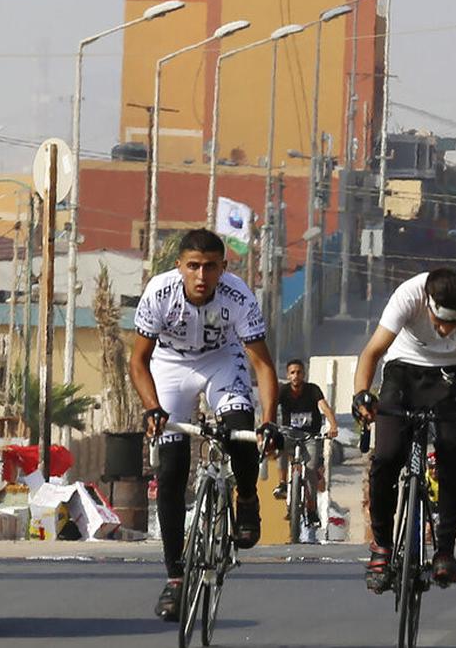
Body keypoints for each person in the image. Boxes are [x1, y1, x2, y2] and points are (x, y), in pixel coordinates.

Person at [132, 229, 279, 621]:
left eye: (210, 267)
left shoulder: (239, 296)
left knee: (239, 429)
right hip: (170, 367)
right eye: (193, 266)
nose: (201, 275)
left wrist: (268, 422)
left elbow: (263, 364)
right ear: (179, 266)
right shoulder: (159, 293)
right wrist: (152, 408)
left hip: (221, 360)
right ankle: (175, 578)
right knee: (172, 468)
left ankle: (246, 498)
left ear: (223, 268)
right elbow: (138, 361)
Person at [353, 268, 456, 592]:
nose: (445, 331)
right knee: (387, 457)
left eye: (454, 323)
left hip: (455, 373)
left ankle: (445, 550)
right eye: (439, 321)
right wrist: (362, 395)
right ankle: (382, 546)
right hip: (404, 368)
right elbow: (372, 353)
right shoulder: (409, 294)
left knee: (451, 452)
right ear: (428, 304)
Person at [274, 359, 339, 529]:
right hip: (290, 433)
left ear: (304, 374)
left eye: (299, 372)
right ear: (288, 375)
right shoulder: (284, 390)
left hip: (310, 436)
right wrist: (269, 425)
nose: (296, 376)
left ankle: (311, 510)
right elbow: (273, 406)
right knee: (280, 444)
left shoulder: (313, 390)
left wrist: (333, 425)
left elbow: (324, 407)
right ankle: (282, 484)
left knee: (310, 470)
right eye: (292, 372)